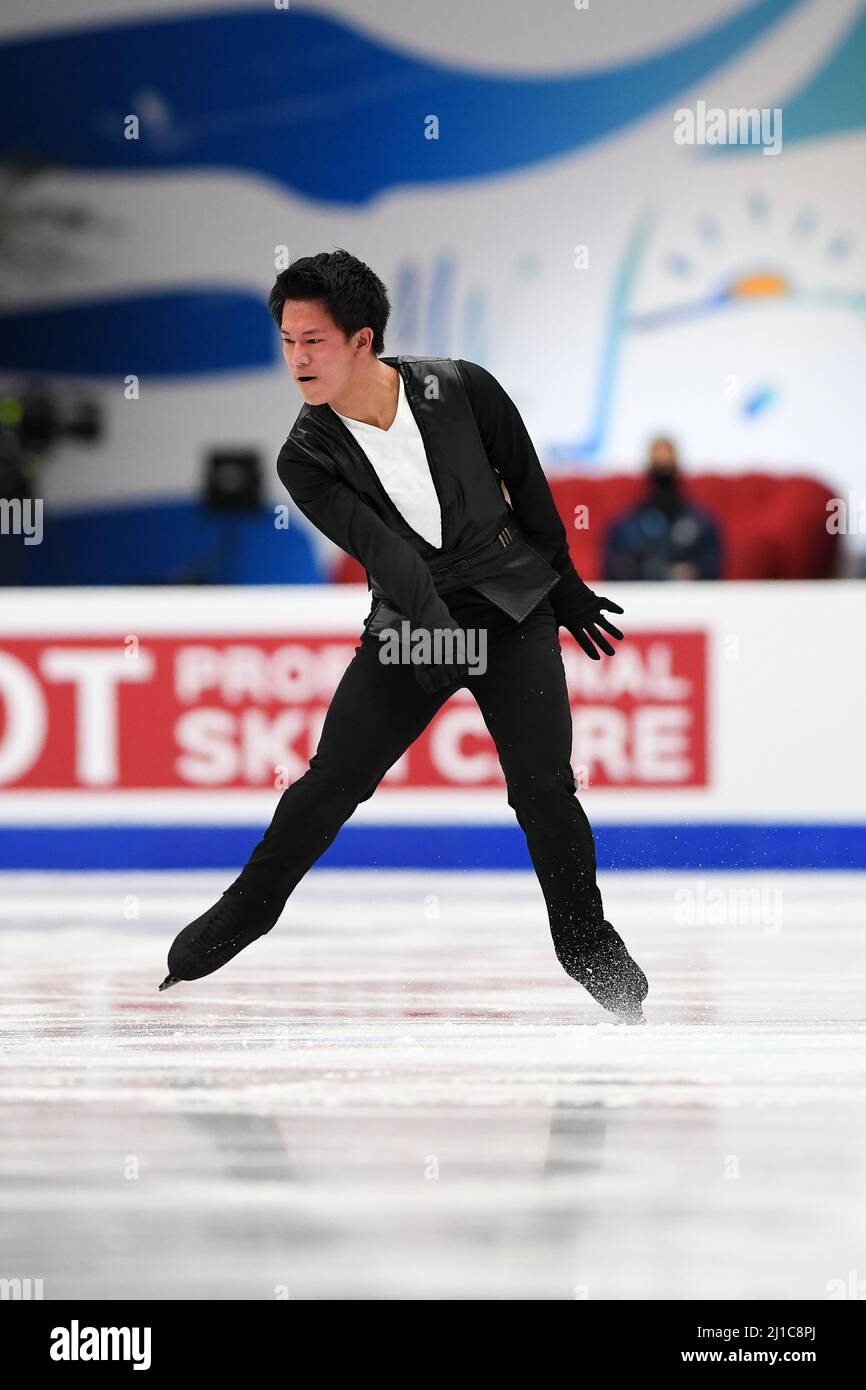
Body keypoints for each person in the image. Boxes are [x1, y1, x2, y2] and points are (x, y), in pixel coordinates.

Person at [160, 249, 648, 1023]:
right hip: (414, 626)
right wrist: (432, 631)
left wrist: (565, 586)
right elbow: (384, 552)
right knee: (332, 782)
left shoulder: (461, 387)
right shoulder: (305, 454)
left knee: (543, 789)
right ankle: (246, 911)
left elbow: (527, 485)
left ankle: (585, 943)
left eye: (312, 340)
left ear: (362, 340)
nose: (296, 358)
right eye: (287, 341)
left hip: (511, 608)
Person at [603, 436, 722, 581]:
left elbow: (712, 567)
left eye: (667, 467)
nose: (663, 475)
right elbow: (613, 568)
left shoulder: (702, 523)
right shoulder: (625, 524)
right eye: (658, 468)